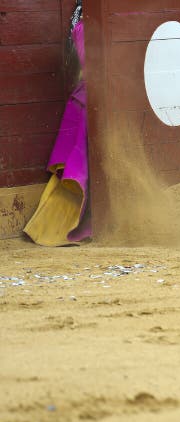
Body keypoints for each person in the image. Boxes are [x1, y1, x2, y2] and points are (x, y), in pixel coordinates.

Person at [24, 1, 91, 246]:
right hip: (87, 104)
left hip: (86, 100)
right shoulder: (83, 25)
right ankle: (63, 225)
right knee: (81, 166)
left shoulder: (82, 20)